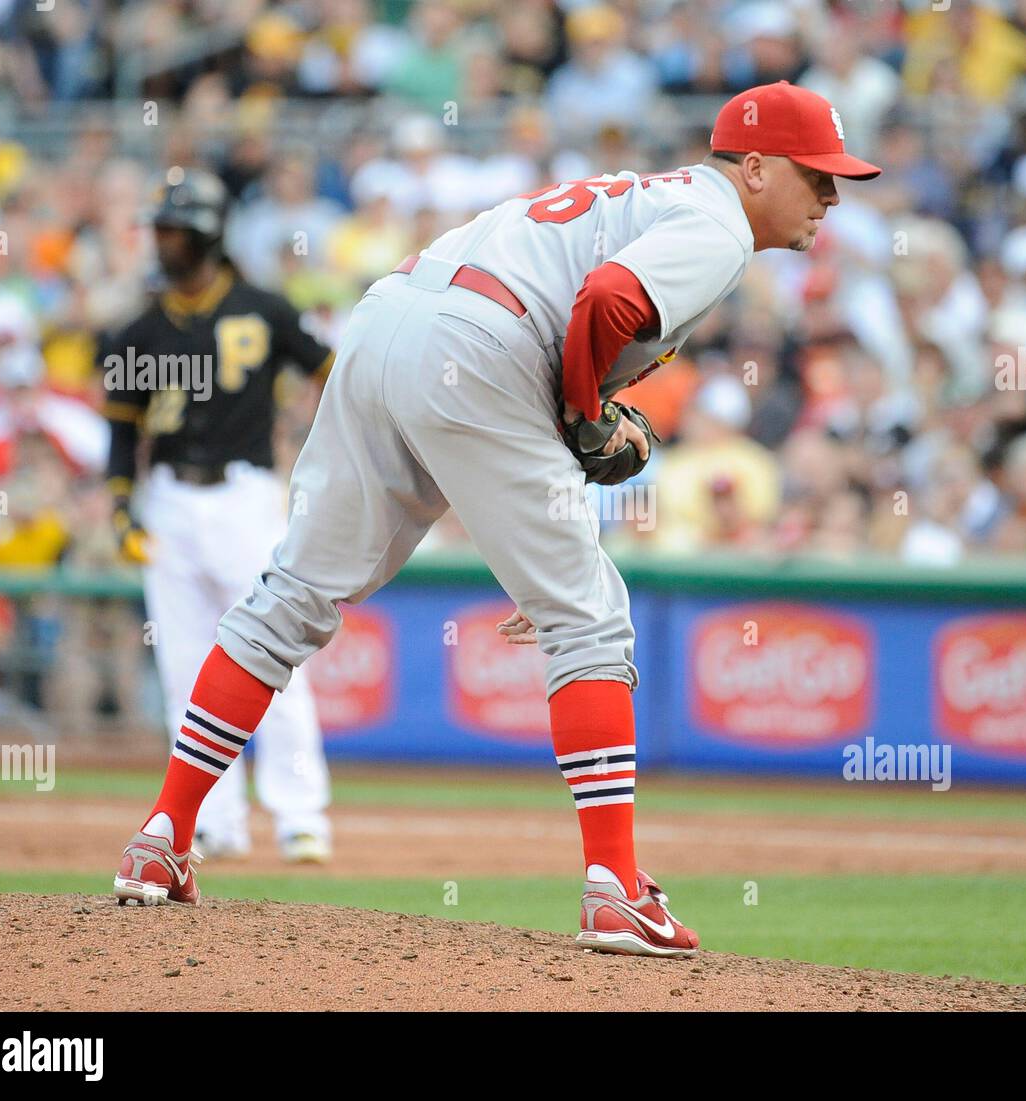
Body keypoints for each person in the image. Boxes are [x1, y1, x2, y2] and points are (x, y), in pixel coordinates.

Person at [113, 83, 882, 958]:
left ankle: (164, 835)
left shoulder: (647, 195)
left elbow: (582, 308)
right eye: (817, 175)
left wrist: (563, 442)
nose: (830, 196)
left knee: (294, 593)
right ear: (753, 168)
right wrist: (588, 418)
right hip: (480, 343)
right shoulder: (715, 227)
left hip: (388, 320)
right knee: (590, 620)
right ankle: (615, 889)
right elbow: (607, 304)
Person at [103, 169, 334, 864]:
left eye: (174, 229)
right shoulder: (135, 332)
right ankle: (212, 819)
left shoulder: (264, 307)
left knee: (274, 653)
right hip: (170, 499)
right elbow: (121, 436)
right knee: (183, 665)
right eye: (159, 228)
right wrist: (120, 507)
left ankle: (301, 815)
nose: (162, 240)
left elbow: (334, 372)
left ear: (206, 233)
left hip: (245, 496)